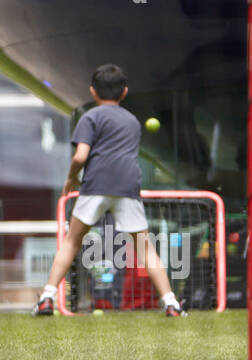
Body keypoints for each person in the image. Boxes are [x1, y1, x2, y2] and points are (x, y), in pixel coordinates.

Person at [32, 64, 187, 318]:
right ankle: (171, 303)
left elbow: (81, 156)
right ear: (124, 92)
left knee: (72, 242)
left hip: (96, 186)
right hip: (127, 188)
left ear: (93, 92)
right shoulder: (133, 122)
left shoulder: (90, 118)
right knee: (145, 248)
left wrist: (71, 177)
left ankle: (46, 299)